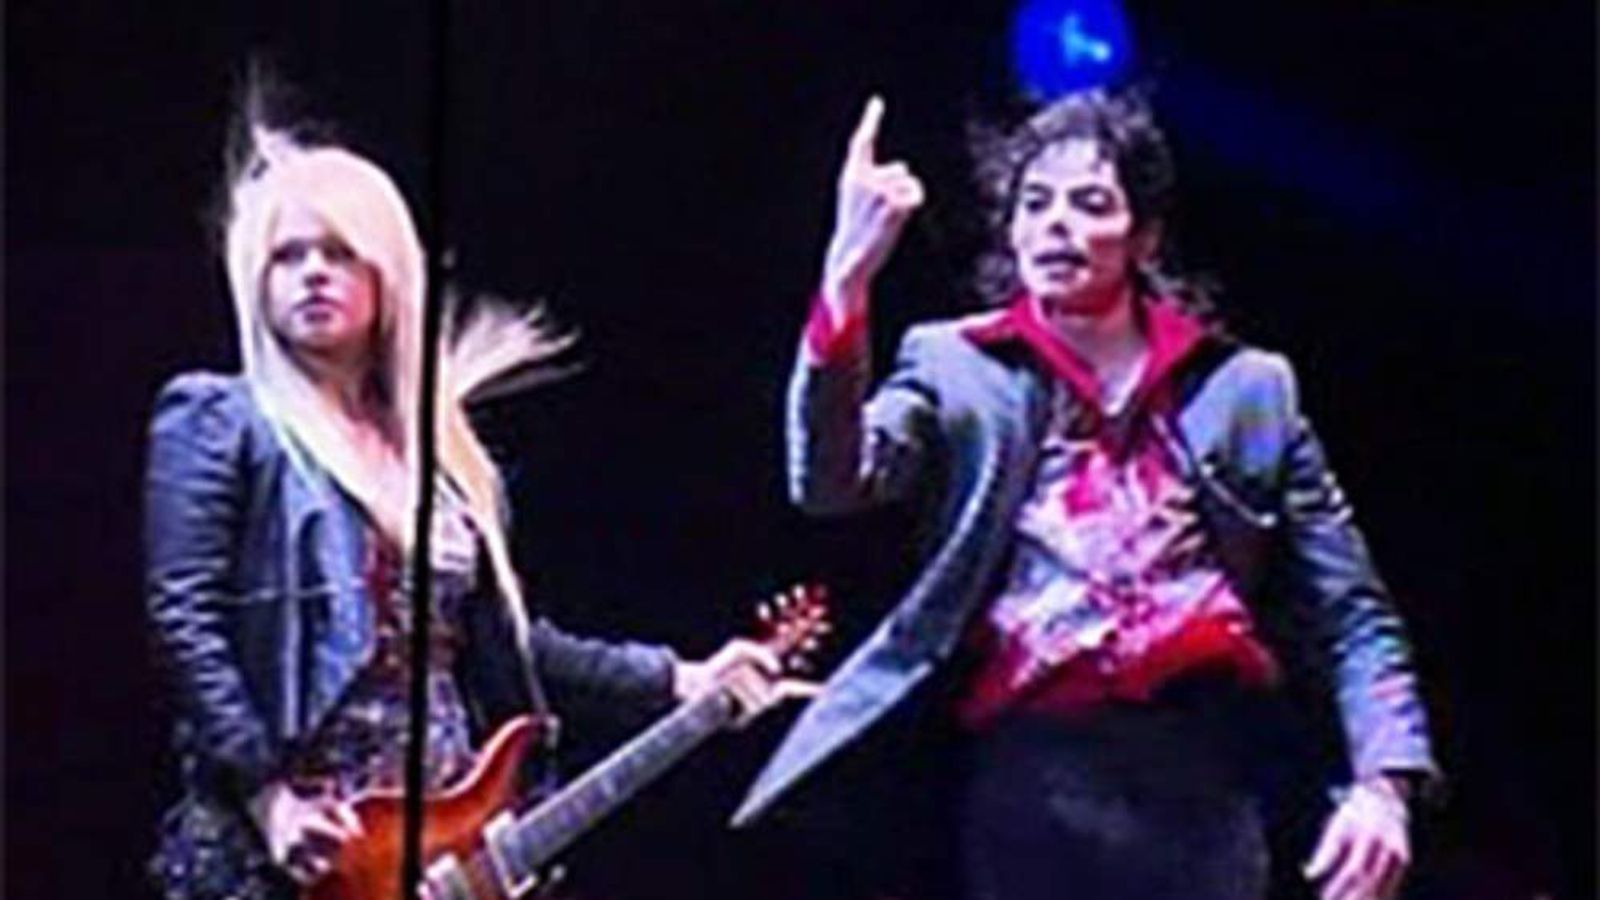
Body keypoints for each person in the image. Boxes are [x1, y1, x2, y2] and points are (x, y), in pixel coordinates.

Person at [732, 88, 1440, 900]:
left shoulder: (1246, 389)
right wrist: (846, 279)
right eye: (1035, 203)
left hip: (1202, 776)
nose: (1057, 224)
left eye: (1091, 203)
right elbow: (829, 483)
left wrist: (1385, 787)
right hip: (1031, 775)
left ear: (1144, 237)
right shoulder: (956, 365)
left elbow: (1350, 609)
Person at [144, 105, 799, 898]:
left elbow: (508, 644)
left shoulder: (436, 456)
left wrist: (678, 678)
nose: (313, 273)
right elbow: (186, 619)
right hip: (292, 849)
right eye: (288, 256)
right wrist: (267, 797)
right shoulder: (220, 418)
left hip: (437, 850)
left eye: (340, 253)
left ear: (387, 276)